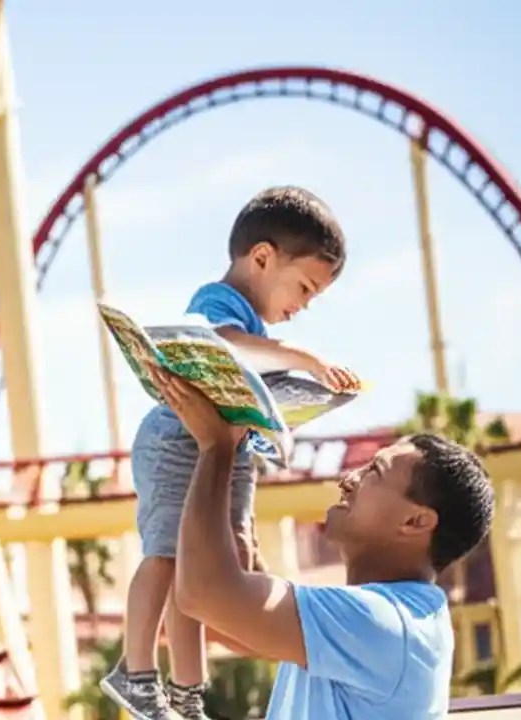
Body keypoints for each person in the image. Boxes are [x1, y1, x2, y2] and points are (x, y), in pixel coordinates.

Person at [101, 186, 361, 720]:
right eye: (304, 288)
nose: (302, 306)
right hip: (179, 443)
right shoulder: (222, 303)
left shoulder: (260, 328)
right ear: (262, 258)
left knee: (198, 574)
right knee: (166, 556)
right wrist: (303, 359)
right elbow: (221, 342)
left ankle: (187, 693)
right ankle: (134, 669)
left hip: (225, 452)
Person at [145, 364, 492, 719]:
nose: (349, 478)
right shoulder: (397, 618)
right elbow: (232, 623)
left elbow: (204, 594)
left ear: (416, 521)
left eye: (374, 472)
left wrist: (216, 447)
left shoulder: (385, 622)